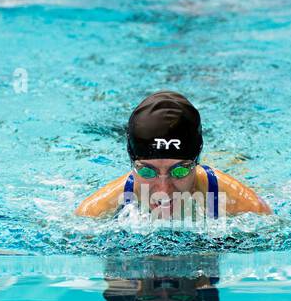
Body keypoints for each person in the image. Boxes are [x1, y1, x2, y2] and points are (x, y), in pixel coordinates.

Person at [74, 91, 272, 219]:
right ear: (132, 163)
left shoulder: (246, 207)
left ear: (196, 162)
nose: (164, 189)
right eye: (148, 172)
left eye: (179, 171)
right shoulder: (94, 211)